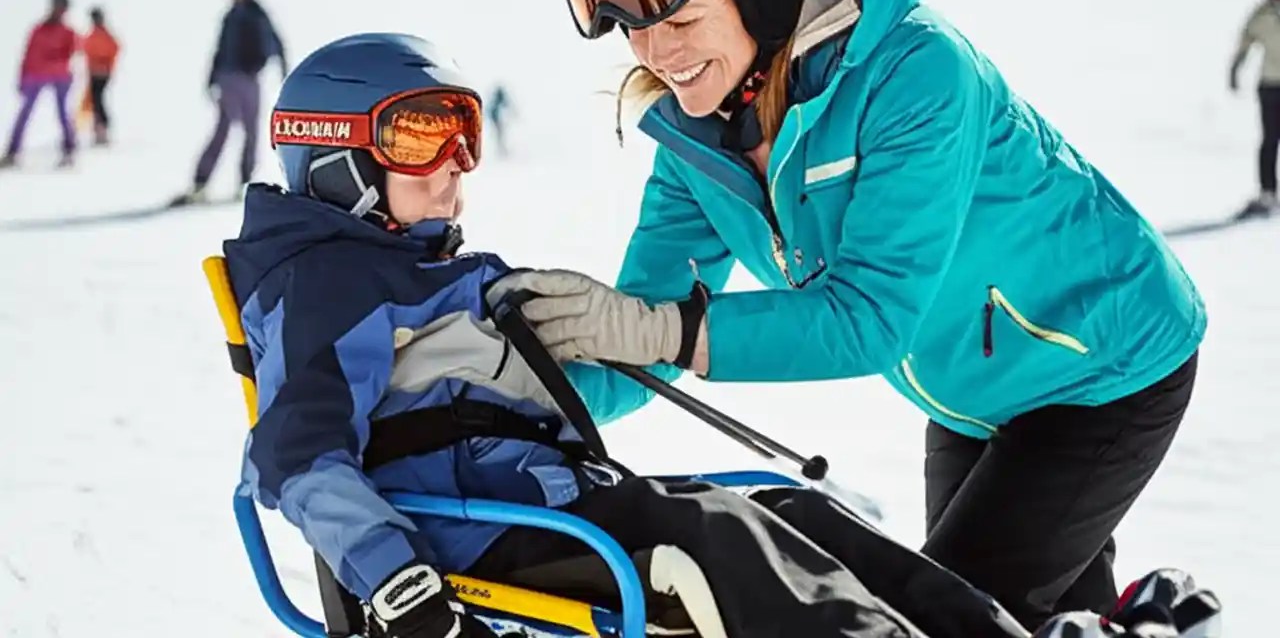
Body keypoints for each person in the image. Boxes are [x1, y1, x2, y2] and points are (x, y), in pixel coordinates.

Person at [225, 33, 1220, 638]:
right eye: (414, 137)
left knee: (794, 514)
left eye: (463, 134)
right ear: (331, 153)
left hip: (559, 504)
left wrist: (579, 342)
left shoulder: (417, 277)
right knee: (726, 540)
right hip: (495, 528)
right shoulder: (328, 279)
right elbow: (295, 454)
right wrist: (390, 573)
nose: (452, 165)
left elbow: (598, 380)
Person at [487, 0, 1209, 632]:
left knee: (943, 616)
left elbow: (868, 319)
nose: (654, 53)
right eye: (632, 30)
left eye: (680, 20)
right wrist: (504, 394)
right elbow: (645, 334)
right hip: (970, 391)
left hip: (1103, 369)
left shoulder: (919, 73)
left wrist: (661, 331)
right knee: (1009, 616)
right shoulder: (695, 137)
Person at [171, 0, 286, 206]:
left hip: (248, 78)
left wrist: (281, 72)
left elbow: (275, 43)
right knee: (223, 127)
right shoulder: (230, 15)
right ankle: (201, 182)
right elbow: (220, 49)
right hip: (229, 78)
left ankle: (244, 181)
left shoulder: (256, 13)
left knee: (251, 131)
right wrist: (211, 78)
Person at [2, 0, 79, 168]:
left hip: (59, 76)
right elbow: (27, 54)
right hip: (36, 75)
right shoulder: (38, 29)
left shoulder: (68, 32)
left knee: (62, 113)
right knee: (24, 112)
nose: (59, 10)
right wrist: (22, 78)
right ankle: (12, 152)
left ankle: (69, 150)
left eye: (63, 7)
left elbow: (73, 54)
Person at [1230, 0, 1280, 219]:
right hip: (1270, 85)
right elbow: (1245, 43)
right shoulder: (1261, 15)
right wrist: (1235, 69)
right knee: (1270, 140)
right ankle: (1268, 193)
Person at [80, 6, 121, 146]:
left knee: (97, 100)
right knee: (96, 100)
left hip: (101, 73)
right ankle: (99, 128)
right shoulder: (97, 34)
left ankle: (102, 129)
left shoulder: (103, 35)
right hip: (96, 72)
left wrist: (103, 61)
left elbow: (114, 48)